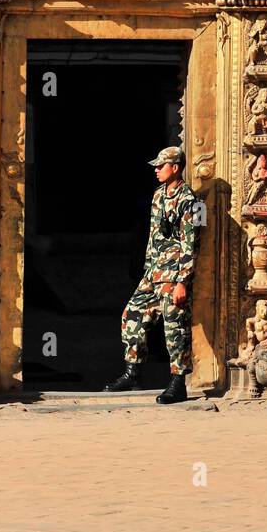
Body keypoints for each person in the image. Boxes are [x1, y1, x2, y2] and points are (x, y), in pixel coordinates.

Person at [105, 146, 199, 405]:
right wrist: (146, 268)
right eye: (156, 166)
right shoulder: (158, 195)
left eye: (161, 165)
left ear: (176, 168)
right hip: (154, 272)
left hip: (173, 275)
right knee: (131, 316)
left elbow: (191, 243)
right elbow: (153, 237)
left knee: (175, 329)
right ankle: (133, 373)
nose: (156, 170)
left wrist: (183, 281)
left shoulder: (190, 200)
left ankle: (178, 383)